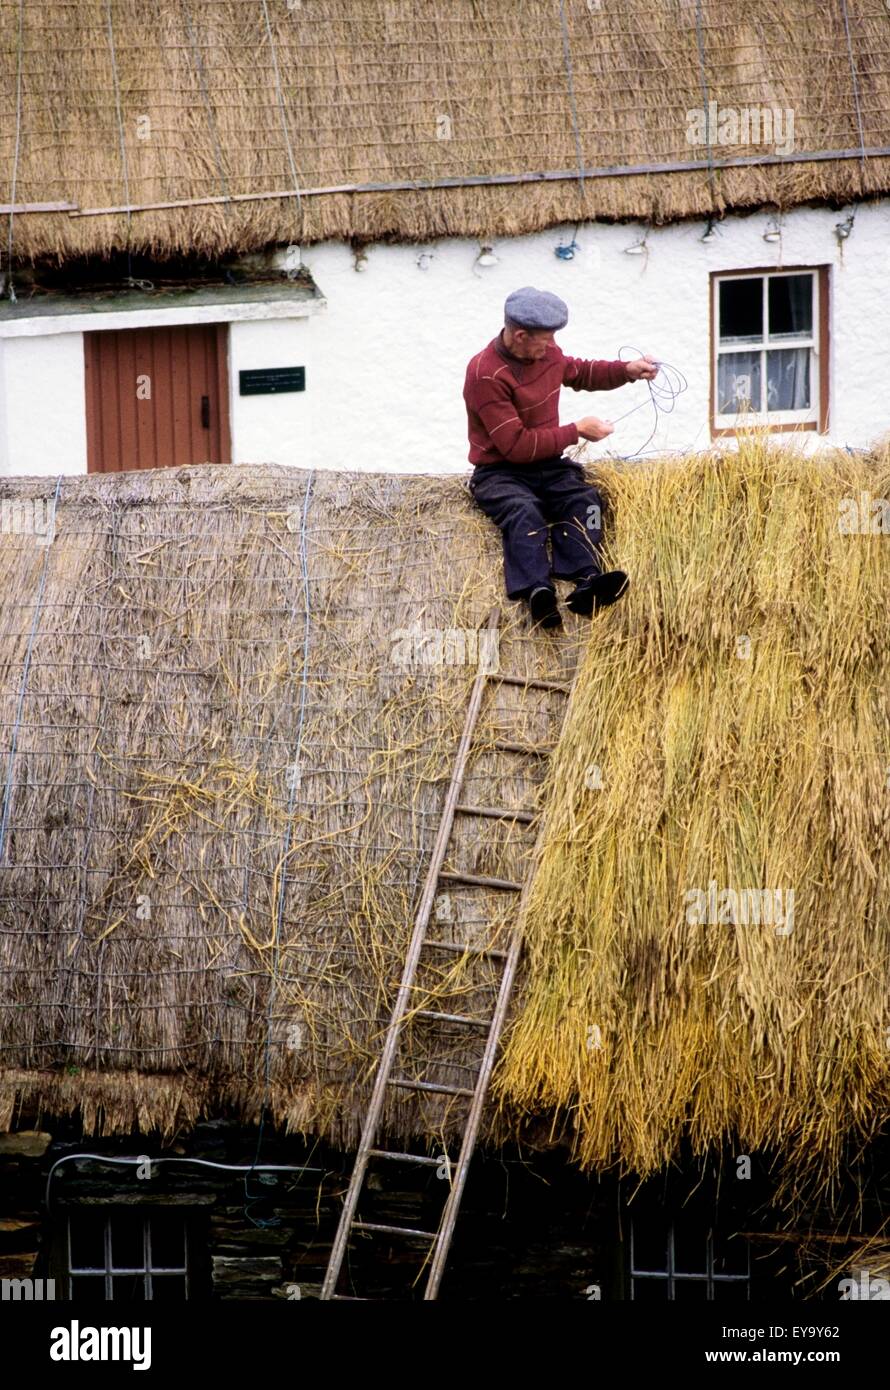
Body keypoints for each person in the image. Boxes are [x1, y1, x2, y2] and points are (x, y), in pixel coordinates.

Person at [463, 286, 657, 628]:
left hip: (548, 464)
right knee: (524, 511)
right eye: (545, 339)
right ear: (520, 335)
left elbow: (580, 372)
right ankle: (537, 591)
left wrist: (627, 371)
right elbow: (516, 446)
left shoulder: (546, 355)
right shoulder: (485, 373)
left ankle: (586, 580)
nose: (552, 346)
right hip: (499, 472)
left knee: (589, 502)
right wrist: (577, 430)